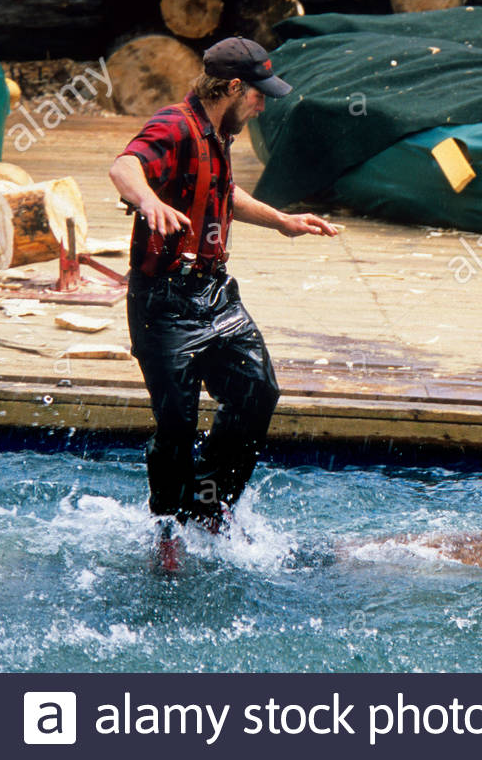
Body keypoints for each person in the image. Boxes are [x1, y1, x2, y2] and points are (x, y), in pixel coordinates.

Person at [109, 37, 338, 557]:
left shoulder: (220, 131)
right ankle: (167, 530)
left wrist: (280, 220)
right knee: (177, 422)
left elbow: (221, 190)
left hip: (214, 294)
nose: (262, 106)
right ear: (234, 87)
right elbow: (124, 167)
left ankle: (207, 504)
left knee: (258, 392)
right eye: (258, 96)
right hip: (163, 302)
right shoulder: (173, 124)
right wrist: (148, 201)